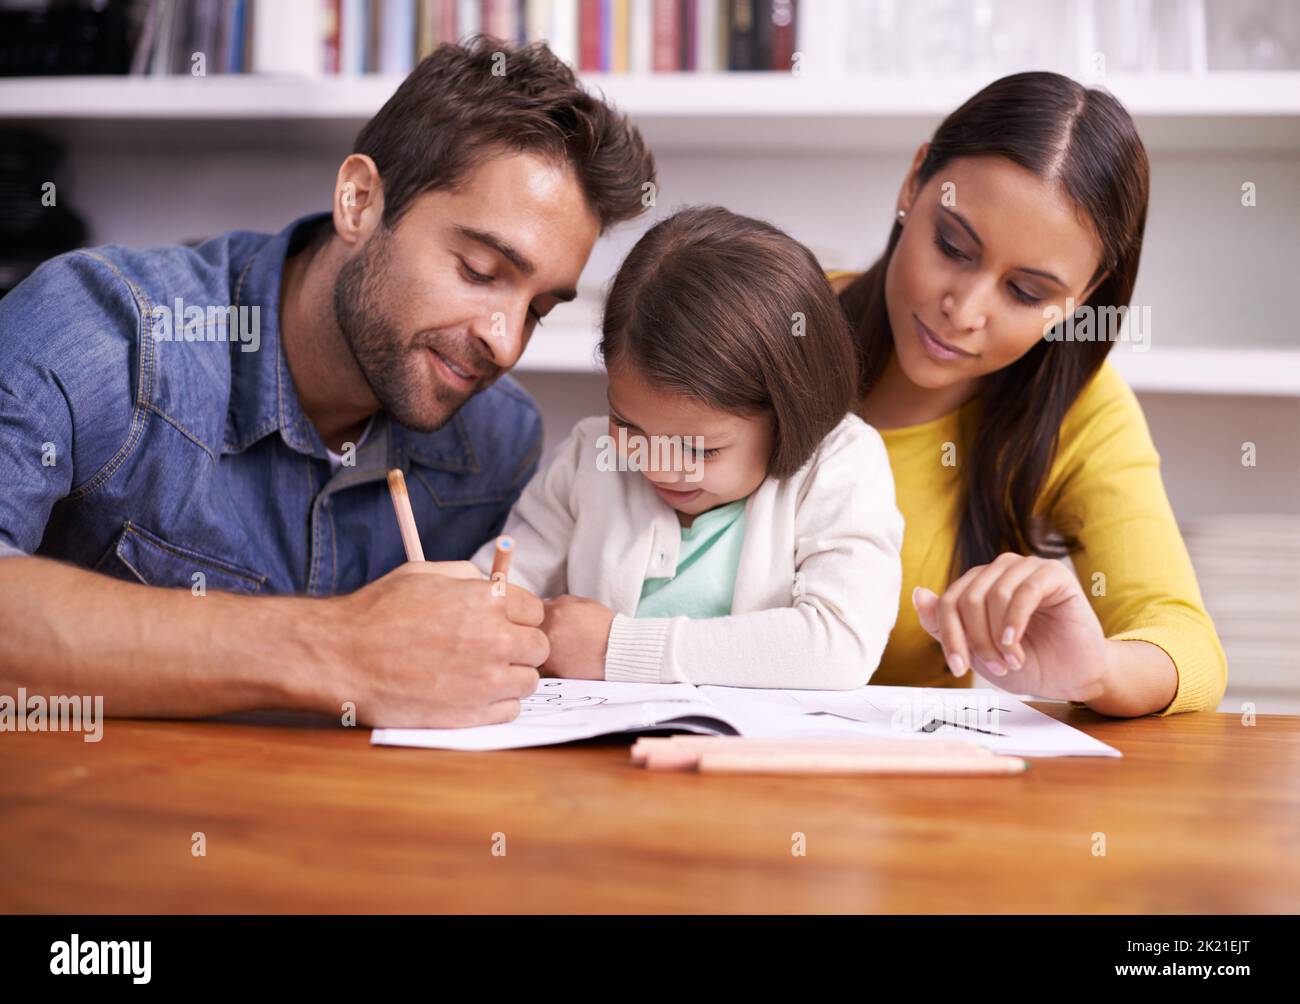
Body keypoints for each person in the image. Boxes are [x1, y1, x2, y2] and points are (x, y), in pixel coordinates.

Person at [0, 38, 656, 728]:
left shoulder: (497, 440)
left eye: (538, 310)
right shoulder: (102, 330)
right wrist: (340, 648)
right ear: (359, 201)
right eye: (479, 271)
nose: (506, 340)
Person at [831, 71, 1227, 717]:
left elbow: (1188, 646)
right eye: (952, 246)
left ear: (1085, 295)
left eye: (1027, 293)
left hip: (902, 804)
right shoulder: (765, 322)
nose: (964, 311)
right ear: (915, 182)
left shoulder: (1077, 411)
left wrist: (1096, 670)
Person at [469, 206, 903, 687]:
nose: (659, 468)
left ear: (789, 416)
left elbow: (839, 648)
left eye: (700, 451)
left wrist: (617, 649)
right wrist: (474, 608)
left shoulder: (841, 463)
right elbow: (502, 583)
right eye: (628, 425)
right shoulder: (587, 457)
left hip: (750, 759)